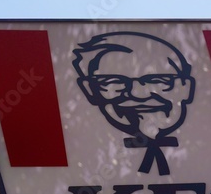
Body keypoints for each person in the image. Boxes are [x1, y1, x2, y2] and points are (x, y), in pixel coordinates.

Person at [72, 31, 196, 176]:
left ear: (186, 87)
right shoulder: (84, 156)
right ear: (89, 90)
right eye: (115, 82)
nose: (138, 94)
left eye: (158, 81)